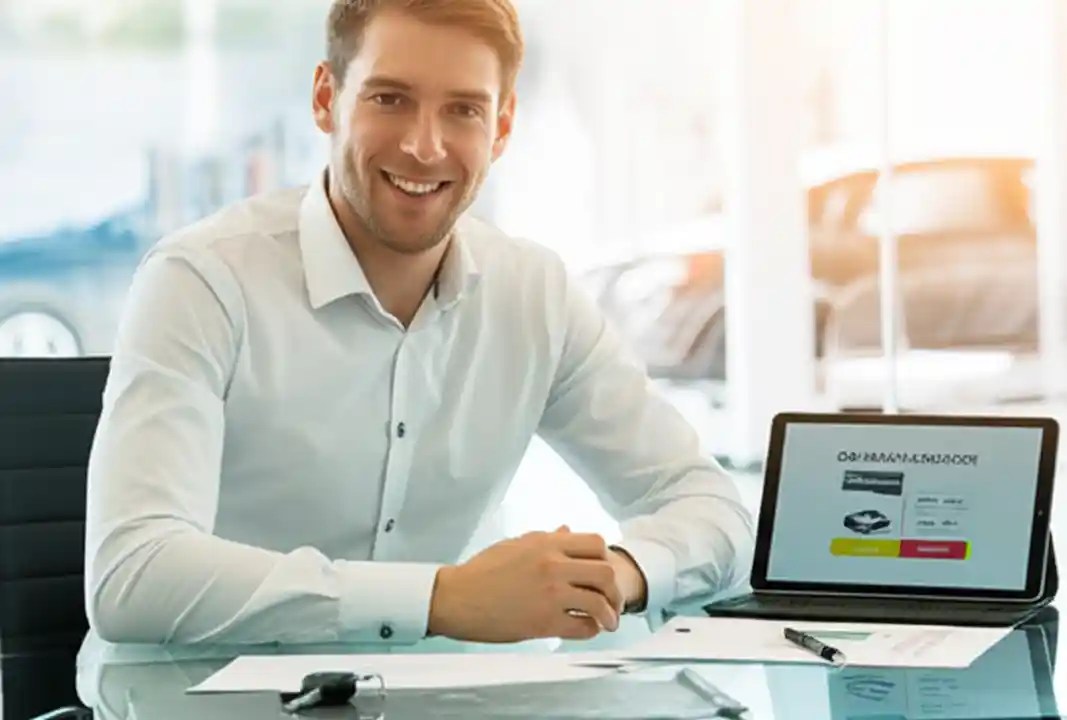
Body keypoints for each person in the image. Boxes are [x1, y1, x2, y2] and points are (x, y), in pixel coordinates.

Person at [81, 0, 752, 656]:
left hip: (438, 696)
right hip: (191, 696)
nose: (424, 146)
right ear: (326, 99)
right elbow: (134, 574)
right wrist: (443, 598)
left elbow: (713, 510)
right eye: (389, 99)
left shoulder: (533, 293)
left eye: (462, 109)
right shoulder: (202, 280)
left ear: (503, 125)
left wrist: (610, 578)